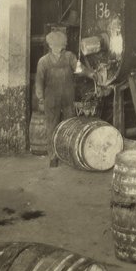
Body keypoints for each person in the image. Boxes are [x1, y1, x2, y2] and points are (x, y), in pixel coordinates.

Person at [33, 29, 77, 169]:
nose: (59, 48)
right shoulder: (43, 61)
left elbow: (80, 69)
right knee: (51, 127)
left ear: (64, 45)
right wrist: (40, 98)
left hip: (68, 97)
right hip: (51, 99)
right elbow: (39, 81)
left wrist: (92, 73)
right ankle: (53, 156)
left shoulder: (70, 57)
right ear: (50, 46)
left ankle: (68, 154)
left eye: (61, 45)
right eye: (55, 45)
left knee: (69, 126)